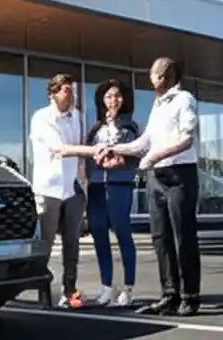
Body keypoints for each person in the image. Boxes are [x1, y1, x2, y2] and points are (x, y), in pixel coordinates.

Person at [99, 57, 201, 316]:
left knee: (183, 236)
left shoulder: (184, 99)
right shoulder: (157, 104)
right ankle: (169, 294)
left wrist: (156, 156)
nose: (151, 80)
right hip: (156, 176)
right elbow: (145, 141)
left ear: (165, 76)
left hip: (180, 175)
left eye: (154, 75)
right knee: (161, 238)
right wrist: (115, 147)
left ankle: (190, 296)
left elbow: (187, 138)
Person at [55, 78, 140, 306]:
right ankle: (106, 288)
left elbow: (135, 155)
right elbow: (87, 155)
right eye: (109, 96)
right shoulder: (95, 128)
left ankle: (128, 289)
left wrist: (119, 158)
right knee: (98, 232)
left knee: (122, 232)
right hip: (96, 187)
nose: (113, 101)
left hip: (119, 185)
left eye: (117, 96)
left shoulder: (129, 127)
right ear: (102, 100)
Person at [28, 72, 87, 309]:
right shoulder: (41, 118)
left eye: (72, 90)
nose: (71, 94)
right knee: (45, 244)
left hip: (72, 189)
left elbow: (79, 154)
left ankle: (69, 292)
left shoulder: (78, 118)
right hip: (48, 189)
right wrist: (94, 150)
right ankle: (44, 295)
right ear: (53, 93)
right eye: (66, 90)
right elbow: (60, 148)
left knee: (72, 244)